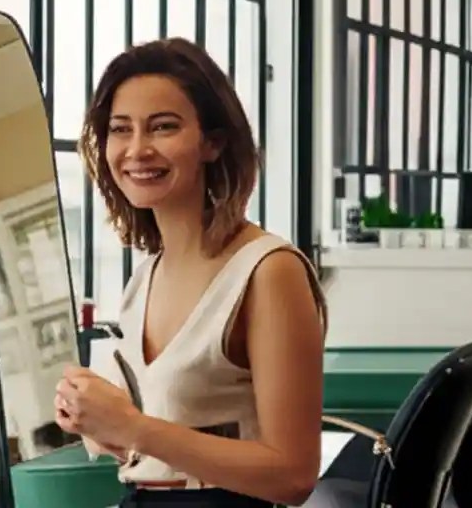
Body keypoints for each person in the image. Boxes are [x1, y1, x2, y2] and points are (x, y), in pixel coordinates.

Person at [54, 38, 327, 507]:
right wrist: (99, 423)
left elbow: (293, 475)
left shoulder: (268, 272)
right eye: (121, 130)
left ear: (213, 142)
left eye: (163, 127)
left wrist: (135, 427)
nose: (137, 149)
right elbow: (163, 435)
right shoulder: (144, 280)